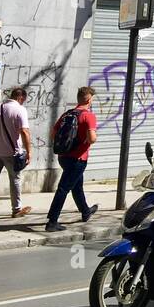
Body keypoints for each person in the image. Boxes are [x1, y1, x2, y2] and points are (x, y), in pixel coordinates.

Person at [45, 86, 99, 231]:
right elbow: (92, 138)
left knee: (77, 185)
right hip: (78, 159)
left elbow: (53, 134)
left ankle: (85, 211)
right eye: (92, 99)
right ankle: (52, 221)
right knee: (63, 188)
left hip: (64, 157)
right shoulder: (88, 116)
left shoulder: (67, 114)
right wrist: (87, 140)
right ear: (89, 99)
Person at [0, 87, 32, 224]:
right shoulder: (20, 110)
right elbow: (25, 132)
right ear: (21, 98)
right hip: (11, 154)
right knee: (15, 181)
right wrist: (29, 152)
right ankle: (16, 209)